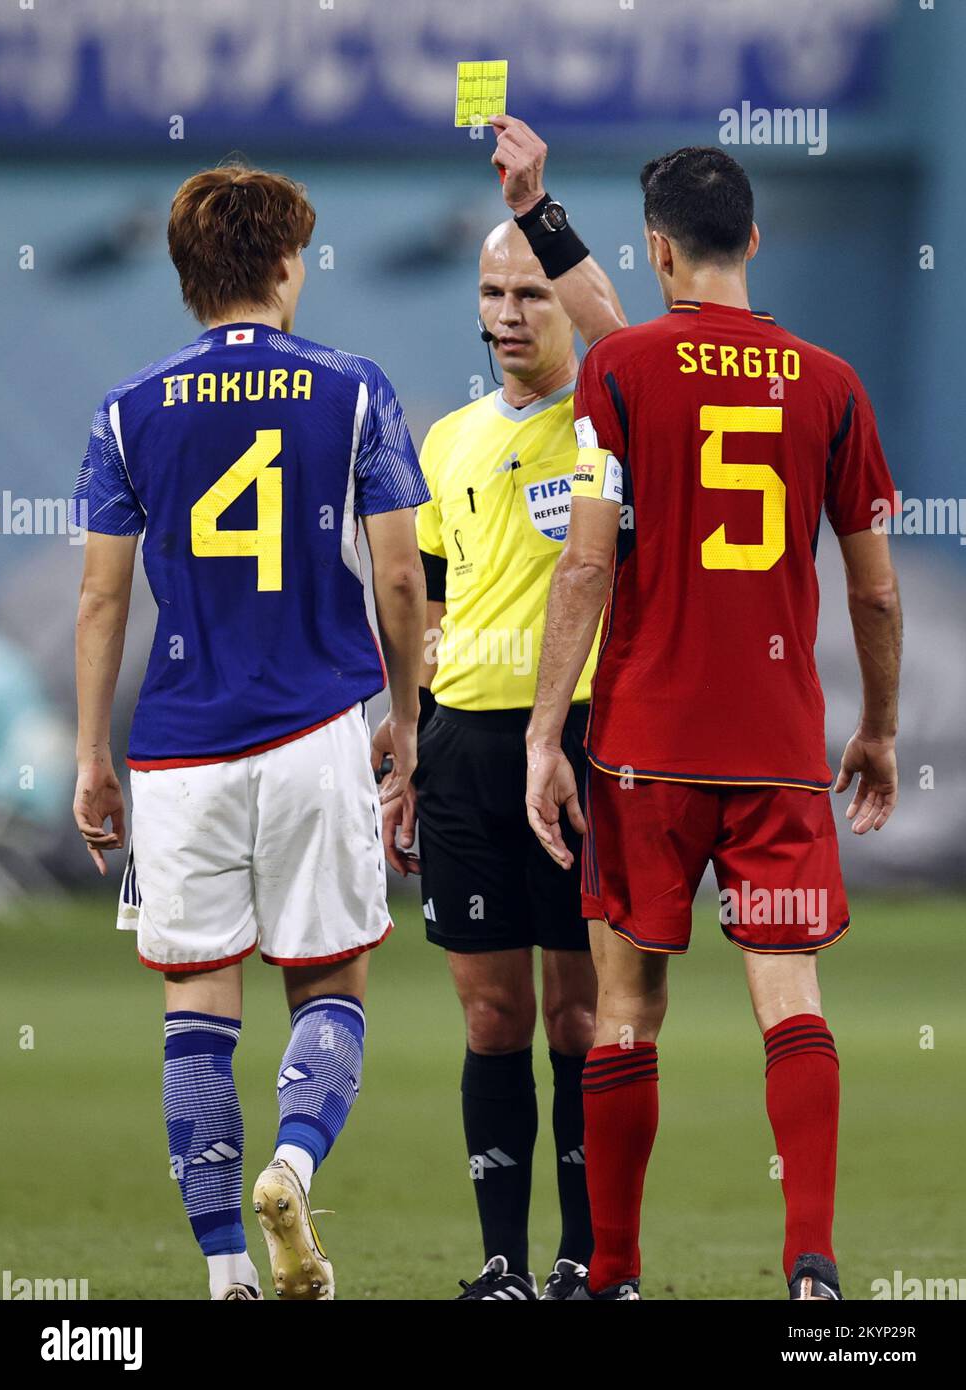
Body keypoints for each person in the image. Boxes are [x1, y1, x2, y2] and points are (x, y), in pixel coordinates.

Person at [495, 119, 902, 1300]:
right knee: (792, 996)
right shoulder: (831, 385)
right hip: (776, 747)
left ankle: (613, 1271)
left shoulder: (618, 372)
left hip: (643, 746)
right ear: (755, 240)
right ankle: (813, 1265)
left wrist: (542, 731)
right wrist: (876, 727)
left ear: (662, 253)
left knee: (626, 1009)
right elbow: (874, 585)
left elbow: (585, 566)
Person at [71, 164, 428, 1301]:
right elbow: (401, 573)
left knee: (196, 1012)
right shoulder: (353, 389)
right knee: (330, 988)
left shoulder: (126, 411)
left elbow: (101, 601)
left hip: (181, 749)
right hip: (318, 728)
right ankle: (292, 1161)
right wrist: (406, 719)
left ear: (186, 276)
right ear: (284, 265)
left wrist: (90, 758)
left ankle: (227, 1271)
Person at [383, 207, 627, 1299]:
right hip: (465, 752)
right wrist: (409, 747)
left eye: (530, 292)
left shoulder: (609, 427)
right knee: (492, 1015)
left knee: (580, 1015)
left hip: (577, 743)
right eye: (493, 294)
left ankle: (587, 1257)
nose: (509, 314)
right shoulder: (449, 441)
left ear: (565, 298)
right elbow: (427, 605)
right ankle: (503, 1264)